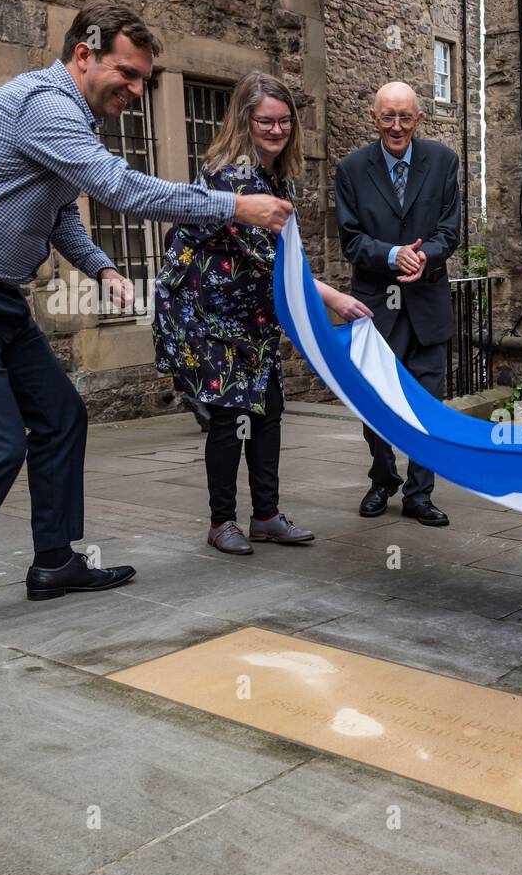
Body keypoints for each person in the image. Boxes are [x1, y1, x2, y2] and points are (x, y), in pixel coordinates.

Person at [0, 3, 293, 646]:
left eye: (144, 81)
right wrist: (235, 206)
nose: (137, 91)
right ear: (85, 52)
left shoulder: (71, 120)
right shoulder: (43, 104)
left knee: (60, 416)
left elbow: (60, 215)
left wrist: (102, 267)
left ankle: (54, 562)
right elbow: (118, 189)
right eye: (129, 74)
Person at [152, 72, 372, 555]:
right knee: (232, 416)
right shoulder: (231, 175)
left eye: (284, 122)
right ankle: (221, 521)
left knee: (269, 409)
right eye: (265, 122)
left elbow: (283, 256)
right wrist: (332, 298)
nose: (277, 131)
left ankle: (267, 515)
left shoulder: (277, 175)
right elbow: (268, 259)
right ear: (244, 120)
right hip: (208, 313)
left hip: (252, 315)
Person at [334, 81, 461, 527]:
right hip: (375, 308)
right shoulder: (350, 169)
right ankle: (382, 476)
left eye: (405, 117)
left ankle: (419, 494)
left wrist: (425, 255)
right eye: (388, 116)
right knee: (374, 402)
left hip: (427, 303)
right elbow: (350, 239)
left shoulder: (444, 162)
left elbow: (450, 230)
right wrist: (391, 254)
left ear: (418, 119)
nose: (396, 126)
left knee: (428, 404)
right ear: (374, 118)